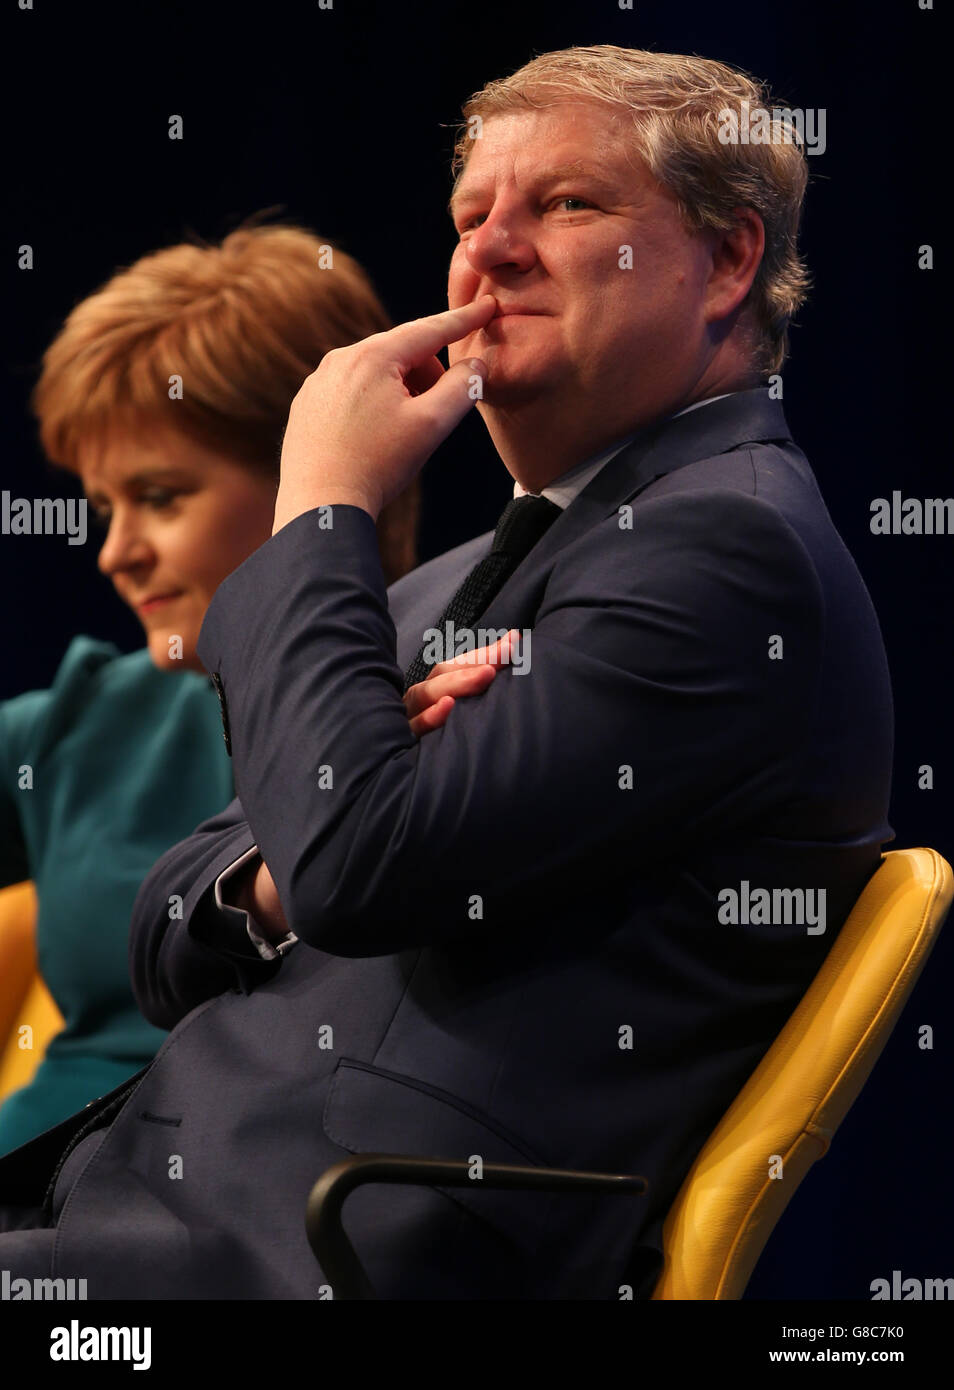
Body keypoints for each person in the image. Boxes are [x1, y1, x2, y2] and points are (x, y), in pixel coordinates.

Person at [0, 45, 893, 1299]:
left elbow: (355, 866)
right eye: (473, 216)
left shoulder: (724, 553)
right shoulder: (444, 582)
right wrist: (272, 876)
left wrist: (319, 501)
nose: (493, 251)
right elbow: (169, 932)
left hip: (326, 1257)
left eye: (566, 206)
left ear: (730, 259)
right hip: (155, 1220)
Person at [0, 224, 420, 1155]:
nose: (114, 553)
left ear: (310, 470)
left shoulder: (440, 699)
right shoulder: (76, 723)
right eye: (104, 507)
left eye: (158, 497)